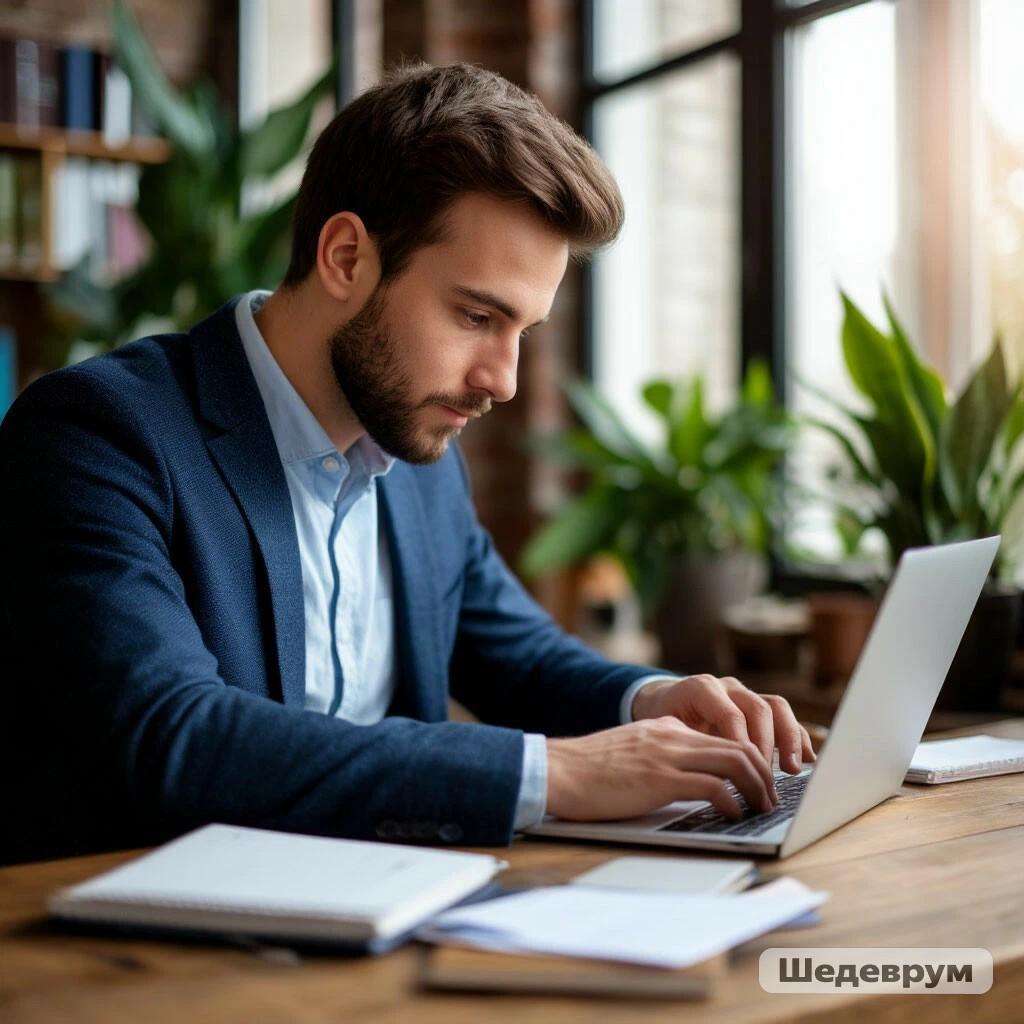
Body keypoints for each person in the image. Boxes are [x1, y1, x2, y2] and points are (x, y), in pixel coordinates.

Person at [0, 62, 813, 865]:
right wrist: (549, 773)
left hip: (387, 911)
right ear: (347, 257)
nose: (503, 379)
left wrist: (655, 699)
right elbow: (172, 735)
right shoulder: (100, 434)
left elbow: (514, 654)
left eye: (521, 330)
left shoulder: (414, 449)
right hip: (142, 950)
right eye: (476, 315)